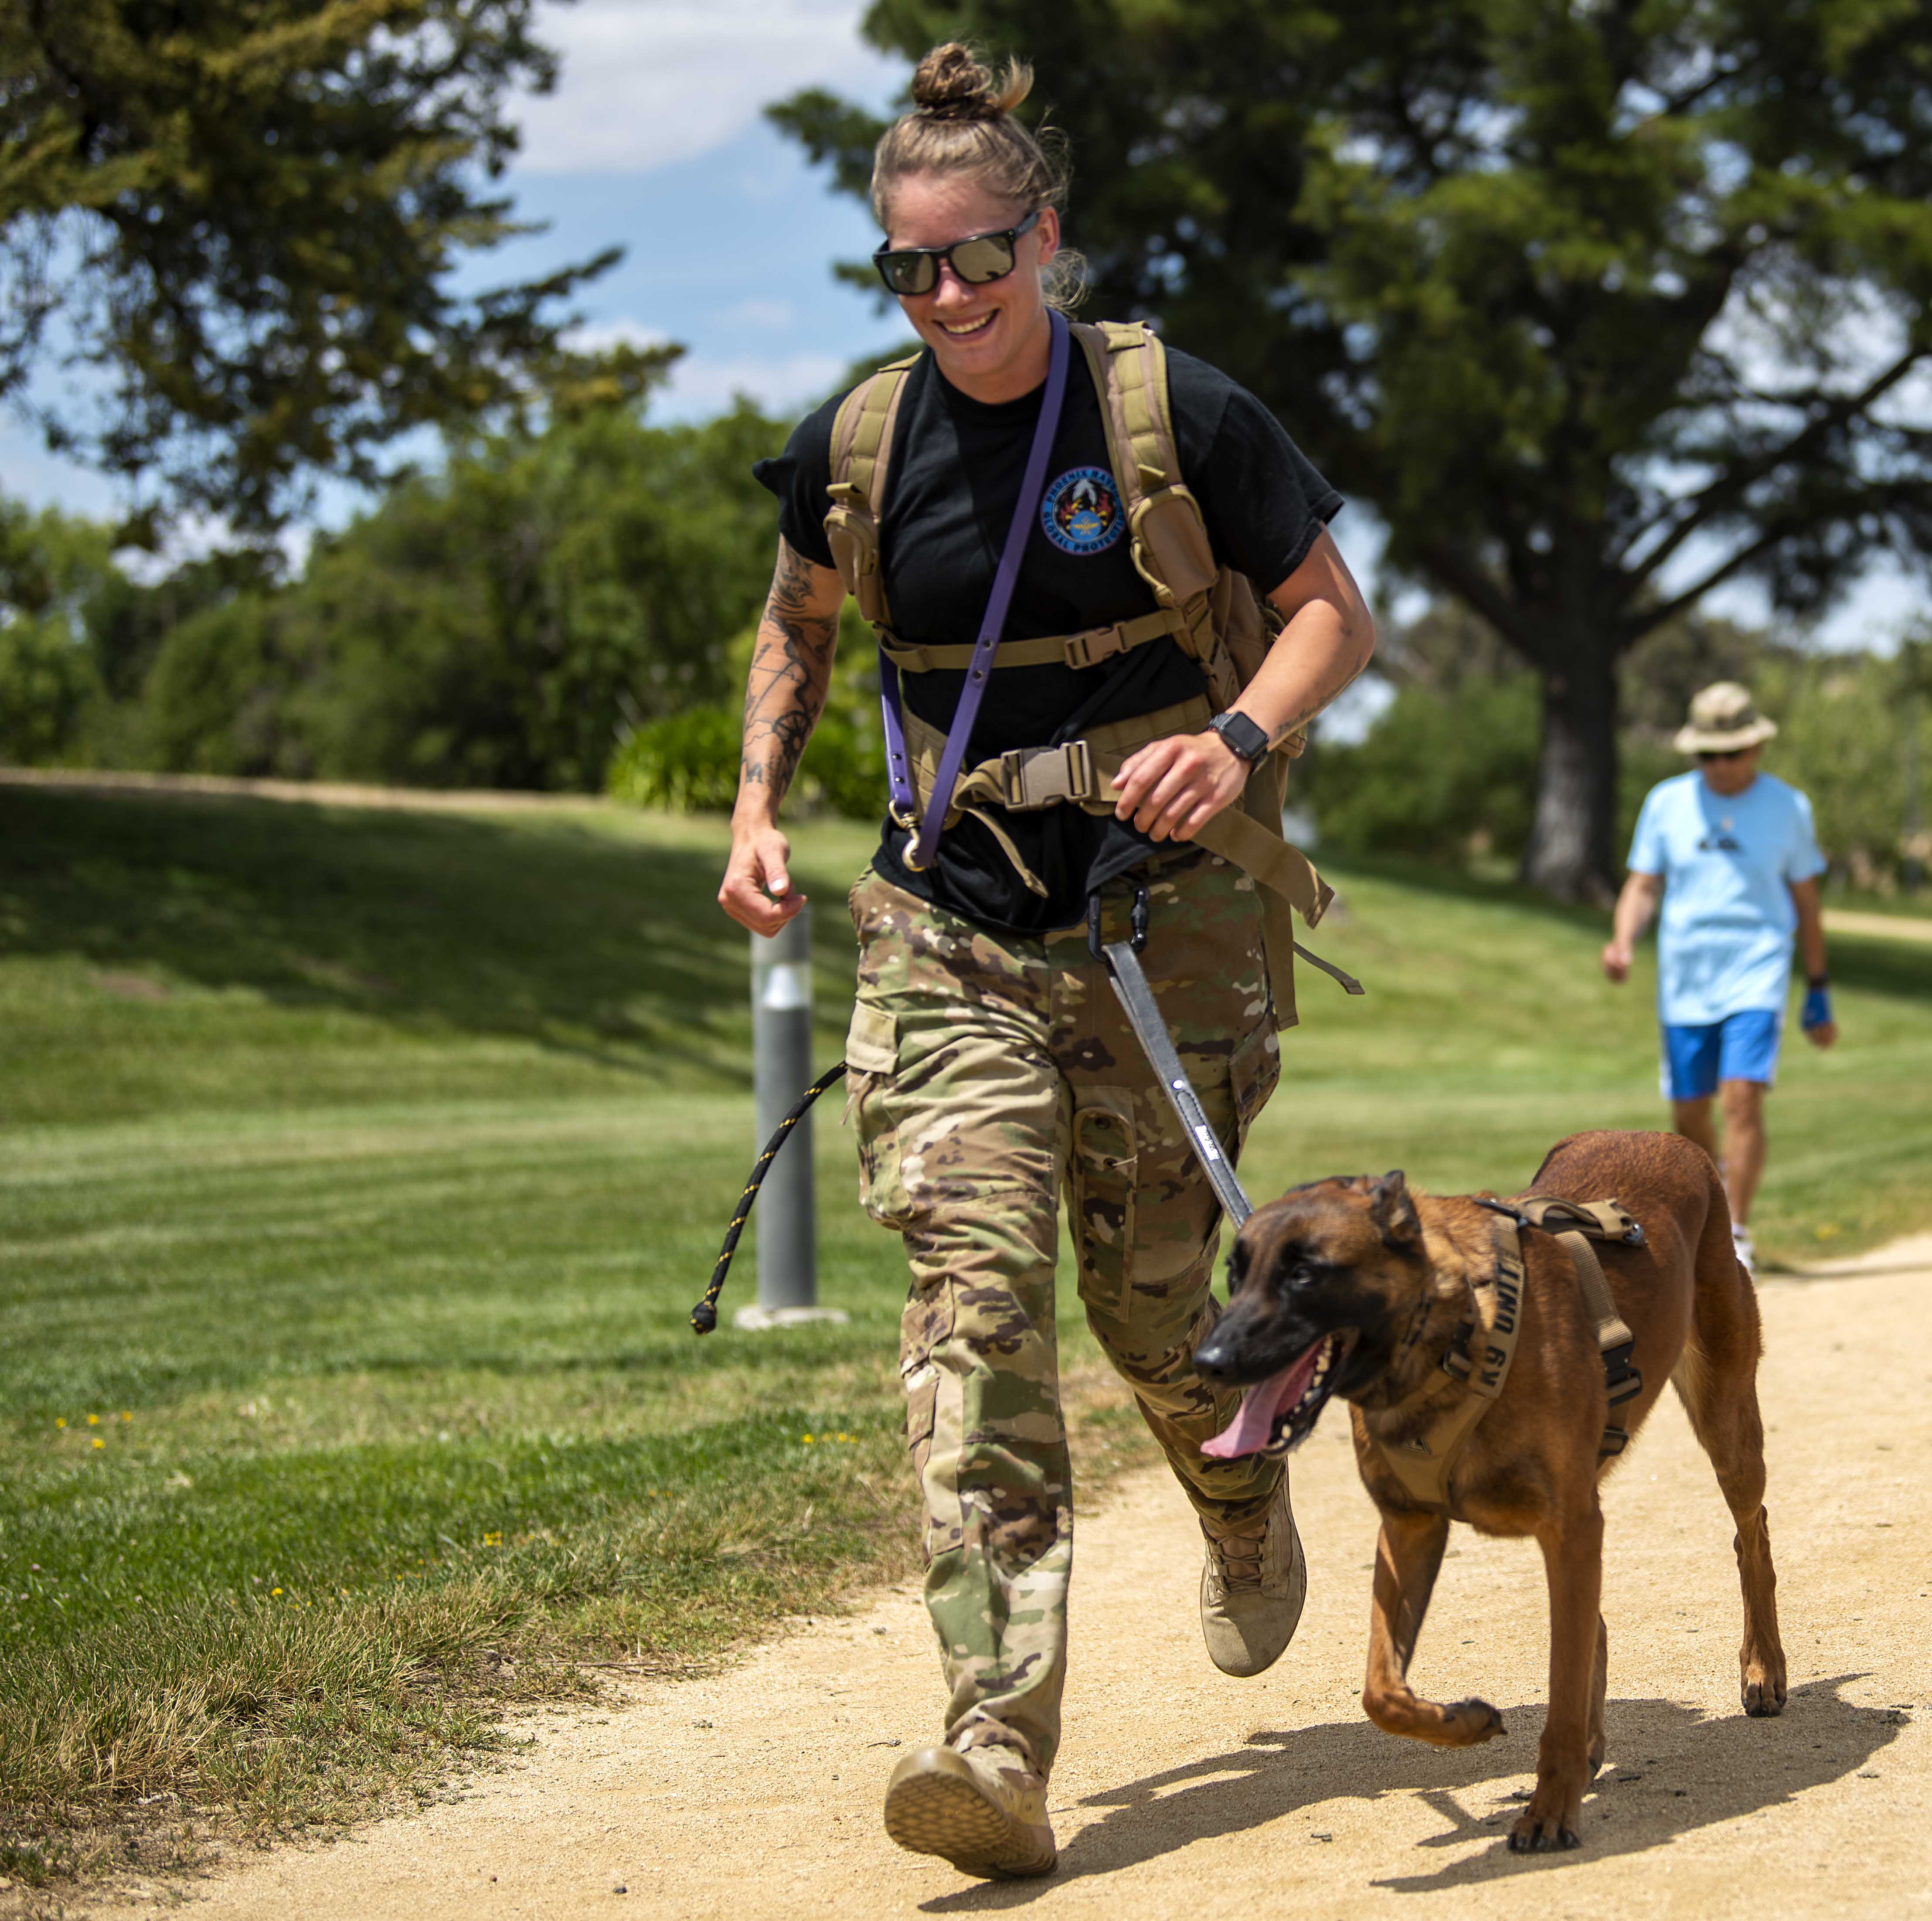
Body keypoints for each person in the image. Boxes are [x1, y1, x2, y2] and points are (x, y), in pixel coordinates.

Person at [721, 42, 1374, 1880]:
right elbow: (795, 621)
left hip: (1171, 930)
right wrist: (754, 804)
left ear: (1046, 235)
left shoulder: (1172, 413)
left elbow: (1336, 612)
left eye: (976, 256)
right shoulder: (863, 443)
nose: (946, 297)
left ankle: (1237, 1487)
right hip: (949, 924)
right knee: (975, 1306)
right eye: (907, 269)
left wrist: (1234, 737)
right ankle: (991, 1731)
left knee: (1158, 1308)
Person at [1600, 681, 1836, 1269]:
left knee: (1741, 1097)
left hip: (1757, 967)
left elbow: (1806, 901)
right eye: (1709, 754)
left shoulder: (1788, 807)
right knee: (1688, 1113)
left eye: (1733, 752)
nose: (1722, 765)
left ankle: (1734, 1230)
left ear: (1756, 748)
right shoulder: (1666, 802)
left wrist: (1818, 986)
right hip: (1685, 975)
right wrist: (1624, 938)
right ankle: (1717, 1194)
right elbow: (1644, 882)